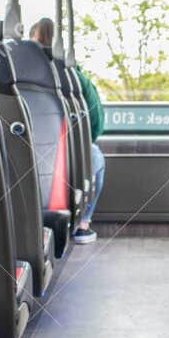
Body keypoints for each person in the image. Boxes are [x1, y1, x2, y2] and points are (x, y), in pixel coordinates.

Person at [28, 18, 105, 243]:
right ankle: (82, 224)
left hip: (22, 149)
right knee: (96, 158)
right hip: (67, 155)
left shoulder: (9, 79)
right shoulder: (76, 80)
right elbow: (96, 123)